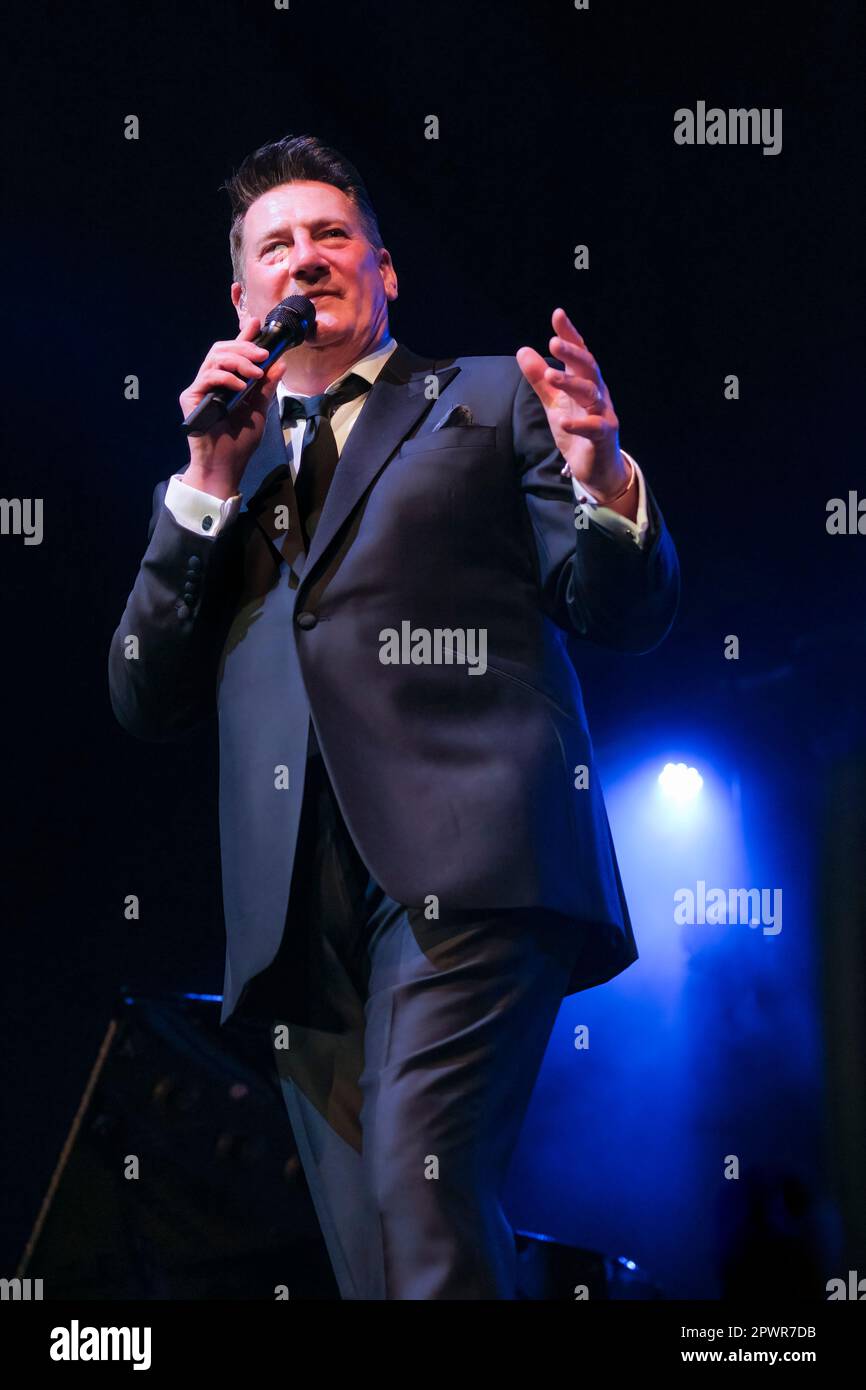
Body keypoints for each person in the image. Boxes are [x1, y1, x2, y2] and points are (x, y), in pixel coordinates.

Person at [108, 132, 680, 1300]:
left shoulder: (480, 398)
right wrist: (202, 493)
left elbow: (616, 608)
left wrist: (604, 477)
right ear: (240, 296)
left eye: (331, 237)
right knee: (376, 1260)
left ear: (384, 270)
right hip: (292, 918)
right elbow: (140, 693)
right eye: (276, 245)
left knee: (422, 1194)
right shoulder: (229, 465)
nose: (304, 260)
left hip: (467, 860)